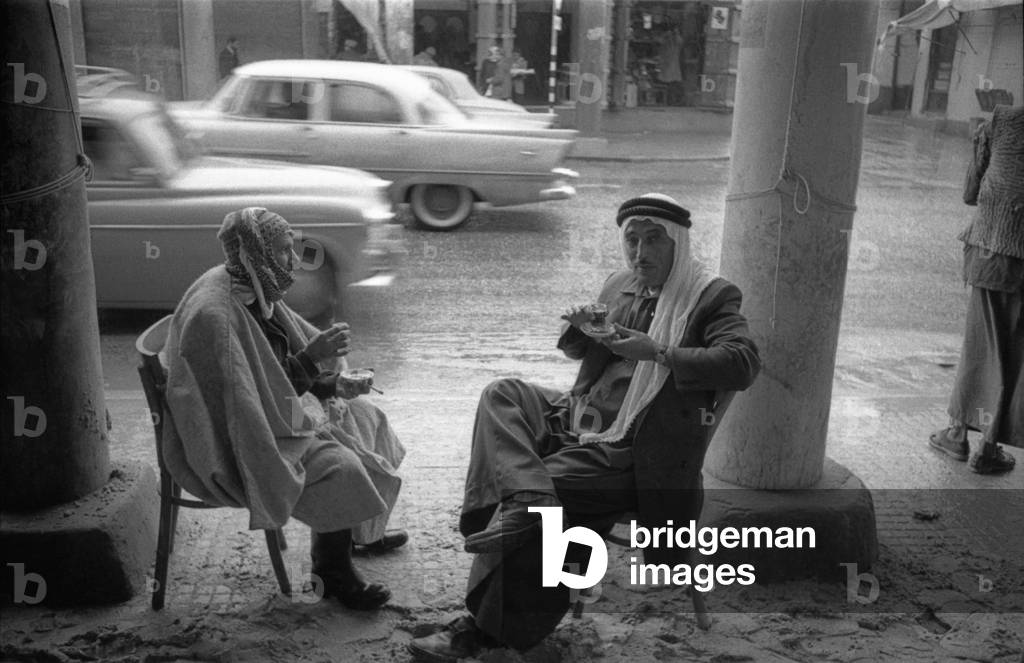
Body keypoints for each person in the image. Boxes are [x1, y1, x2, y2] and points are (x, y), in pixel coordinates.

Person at [409, 194, 761, 661]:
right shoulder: (621, 283)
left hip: (635, 450)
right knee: (503, 393)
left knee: (546, 490)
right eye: (632, 240)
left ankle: (488, 630)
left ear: (678, 241)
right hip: (581, 419)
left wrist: (657, 352)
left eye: (654, 239)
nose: (641, 253)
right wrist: (580, 329)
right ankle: (527, 498)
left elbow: (743, 364)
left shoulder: (710, 297)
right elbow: (586, 353)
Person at [162, 207, 407, 610]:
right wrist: (314, 360)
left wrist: (330, 382)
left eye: (293, 250)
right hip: (245, 439)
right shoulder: (216, 317)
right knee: (341, 466)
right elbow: (250, 407)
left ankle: (361, 529)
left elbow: (274, 371)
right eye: (282, 252)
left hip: (281, 409)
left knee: (367, 417)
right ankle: (330, 571)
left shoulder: (249, 286)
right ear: (253, 254)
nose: (293, 262)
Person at [929, 104, 1023, 474]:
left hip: (991, 253)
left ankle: (957, 435)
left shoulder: (1000, 122)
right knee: (1013, 349)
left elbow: (971, 192)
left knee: (982, 347)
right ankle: (989, 445)